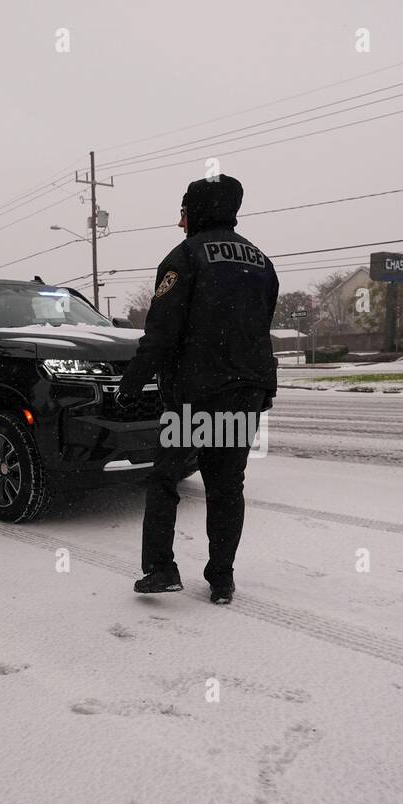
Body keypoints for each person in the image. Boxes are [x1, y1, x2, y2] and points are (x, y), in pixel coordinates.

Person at [117, 175, 278, 604]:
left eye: (183, 212)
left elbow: (161, 334)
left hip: (195, 395)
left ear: (196, 211)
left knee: (165, 478)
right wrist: (265, 388)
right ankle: (222, 580)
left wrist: (131, 383)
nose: (179, 222)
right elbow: (261, 331)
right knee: (227, 487)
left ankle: (161, 570)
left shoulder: (184, 257)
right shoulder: (261, 261)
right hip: (245, 393)